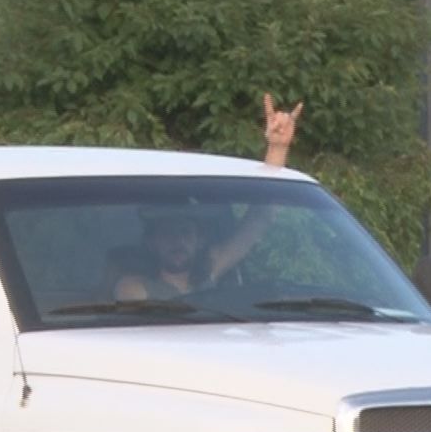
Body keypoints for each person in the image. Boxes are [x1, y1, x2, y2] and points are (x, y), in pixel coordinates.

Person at [114, 94, 301, 300]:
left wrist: (277, 148)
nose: (178, 241)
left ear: (200, 241)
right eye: (167, 233)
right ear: (151, 242)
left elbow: (260, 217)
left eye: (186, 232)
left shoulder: (208, 273)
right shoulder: (134, 287)